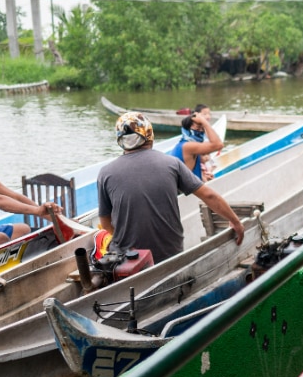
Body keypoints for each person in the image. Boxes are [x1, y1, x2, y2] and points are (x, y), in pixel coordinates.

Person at [98, 112, 244, 264]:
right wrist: (235, 222)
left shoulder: (105, 173)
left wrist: (126, 242)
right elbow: (209, 196)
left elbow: (106, 223)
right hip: (170, 254)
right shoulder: (171, 163)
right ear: (149, 134)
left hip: (128, 257)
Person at [170, 104, 222, 182]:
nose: (200, 131)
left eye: (202, 129)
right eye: (198, 128)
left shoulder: (190, 145)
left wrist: (205, 178)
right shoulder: (187, 146)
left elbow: (194, 175)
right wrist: (204, 121)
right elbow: (218, 145)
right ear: (187, 129)